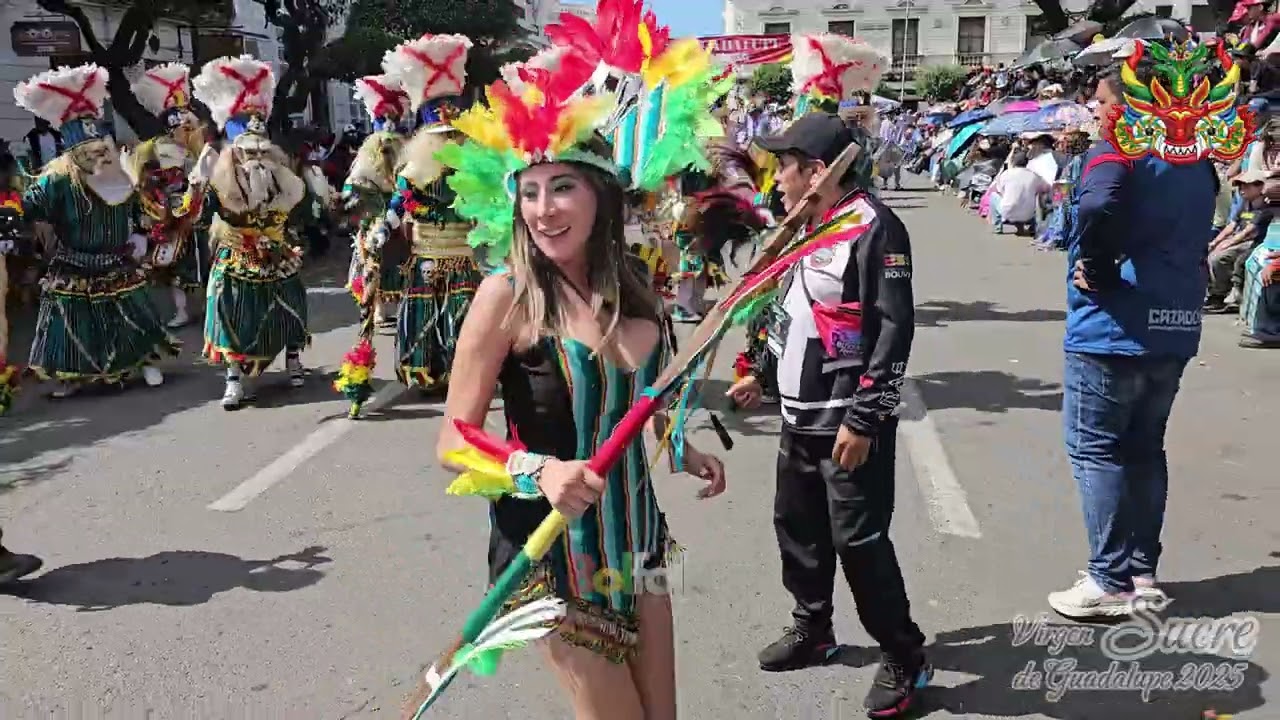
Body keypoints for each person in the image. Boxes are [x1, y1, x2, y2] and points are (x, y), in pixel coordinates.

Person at [431, 12, 730, 716]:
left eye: (562, 186)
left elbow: (630, 401)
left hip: (640, 551)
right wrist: (542, 471)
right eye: (529, 191)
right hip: (549, 558)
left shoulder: (632, 284)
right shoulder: (505, 296)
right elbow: (452, 440)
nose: (542, 208)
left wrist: (674, 444)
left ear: (602, 196)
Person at [729, 32, 929, 718]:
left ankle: (903, 654)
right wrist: (759, 368)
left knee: (860, 542)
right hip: (797, 415)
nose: (776, 177)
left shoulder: (875, 228)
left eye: (785, 165)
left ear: (820, 169)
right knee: (798, 528)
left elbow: (895, 327)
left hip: (848, 420)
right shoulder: (804, 226)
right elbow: (790, 309)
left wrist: (865, 418)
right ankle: (813, 627)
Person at [1048, 68, 1218, 619]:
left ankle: (1109, 579)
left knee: (1096, 449)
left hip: (1112, 328)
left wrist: (1095, 264)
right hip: (1175, 323)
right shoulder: (1195, 156)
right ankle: (1141, 572)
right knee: (1145, 447)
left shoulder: (1117, 148)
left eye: (1100, 101)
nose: (1094, 111)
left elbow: (1097, 205)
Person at [14, 65, 179, 398]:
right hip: (74, 261)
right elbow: (29, 207)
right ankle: (70, 376)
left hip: (118, 259)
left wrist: (140, 235)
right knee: (71, 320)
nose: (100, 157)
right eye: (91, 152)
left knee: (131, 313)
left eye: (102, 149)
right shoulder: (57, 179)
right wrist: (13, 204)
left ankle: (146, 361)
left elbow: (138, 208)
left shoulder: (120, 172)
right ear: (75, 153)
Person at [191, 56, 311, 409]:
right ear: (233, 151)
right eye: (248, 151)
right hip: (236, 255)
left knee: (292, 306)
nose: (256, 156)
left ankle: (293, 359)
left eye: (261, 149)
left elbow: (299, 210)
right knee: (228, 310)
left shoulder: (282, 176)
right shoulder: (219, 177)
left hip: (277, 254)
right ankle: (233, 378)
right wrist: (196, 188)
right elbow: (195, 217)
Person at [378, 33, 483, 394]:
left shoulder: (477, 164)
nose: (448, 139)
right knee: (427, 314)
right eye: (441, 133)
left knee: (464, 317)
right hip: (427, 256)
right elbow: (398, 202)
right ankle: (428, 370)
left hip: (463, 255)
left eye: (452, 132)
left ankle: (465, 374)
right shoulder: (413, 168)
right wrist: (382, 231)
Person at [124, 63, 209, 329]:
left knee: (207, 263)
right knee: (174, 268)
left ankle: (210, 308)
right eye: (184, 128)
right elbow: (145, 184)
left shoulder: (201, 150)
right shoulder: (155, 150)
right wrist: (160, 208)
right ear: (171, 128)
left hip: (201, 214)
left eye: (190, 127)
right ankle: (181, 310)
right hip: (172, 216)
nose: (188, 132)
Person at [342, 73, 412, 328]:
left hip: (399, 210)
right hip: (375, 213)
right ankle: (379, 306)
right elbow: (354, 183)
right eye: (384, 119)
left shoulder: (405, 148)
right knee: (372, 256)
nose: (389, 125)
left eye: (392, 118)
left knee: (403, 258)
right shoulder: (368, 152)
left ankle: (401, 303)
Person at [1206, 169, 1272, 313]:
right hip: (1239, 241)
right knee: (1210, 254)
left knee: (1220, 258)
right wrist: (1215, 242)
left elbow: (1248, 232)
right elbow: (1232, 225)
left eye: (1247, 186)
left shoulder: (1264, 209)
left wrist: (1227, 244)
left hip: (1254, 243)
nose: (1242, 189)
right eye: (1240, 186)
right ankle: (1214, 293)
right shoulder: (1244, 205)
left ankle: (1221, 295)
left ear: (1260, 187)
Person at [990, 152, 1051, 235]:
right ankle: (1033, 227)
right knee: (1038, 197)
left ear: (1014, 162)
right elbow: (1046, 188)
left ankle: (998, 227)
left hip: (1008, 213)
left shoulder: (1006, 174)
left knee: (993, 196)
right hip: (1028, 215)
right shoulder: (1034, 176)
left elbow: (1000, 191)